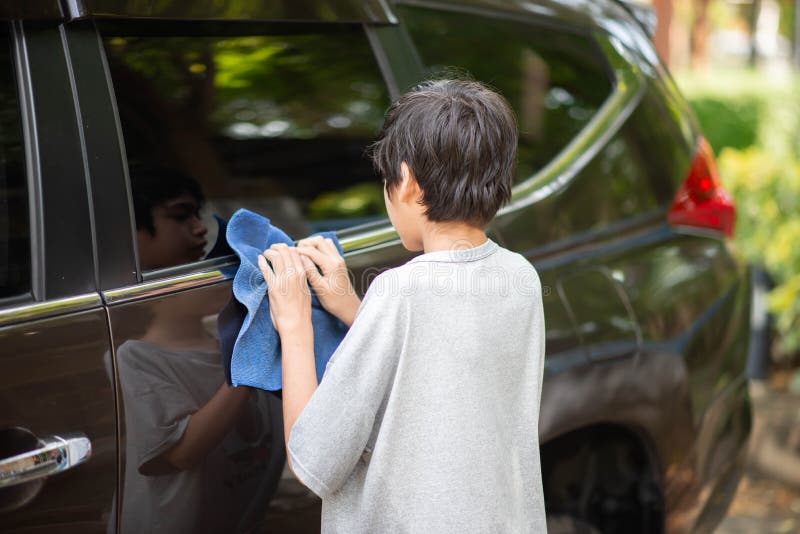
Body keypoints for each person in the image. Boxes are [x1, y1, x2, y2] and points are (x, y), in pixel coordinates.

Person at [257, 79, 547, 532]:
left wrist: (295, 326)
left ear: (407, 181)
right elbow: (440, 366)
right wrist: (355, 308)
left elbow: (314, 458)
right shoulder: (520, 277)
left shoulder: (400, 291)